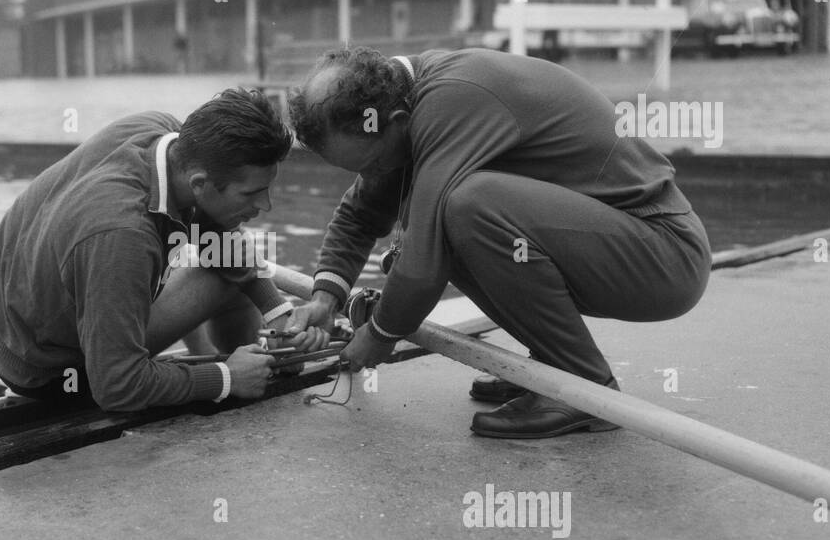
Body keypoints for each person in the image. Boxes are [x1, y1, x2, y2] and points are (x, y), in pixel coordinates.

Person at [286, 46, 712, 439]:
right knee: (449, 212)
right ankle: (549, 365)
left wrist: (379, 334)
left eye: (375, 163)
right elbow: (360, 213)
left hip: (666, 254)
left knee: (464, 206)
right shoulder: (401, 102)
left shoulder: (452, 100)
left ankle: (582, 387)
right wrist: (325, 300)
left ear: (393, 122)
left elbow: (422, 267)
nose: (374, 174)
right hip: (628, 248)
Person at [0, 88, 328, 413]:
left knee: (230, 261)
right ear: (200, 184)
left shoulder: (160, 131)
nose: (265, 206)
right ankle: (249, 380)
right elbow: (116, 388)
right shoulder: (123, 235)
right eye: (251, 194)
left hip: (2, 310)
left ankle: (262, 357)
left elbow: (209, 229)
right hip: (43, 368)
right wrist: (225, 379)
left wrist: (277, 312)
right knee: (226, 280)